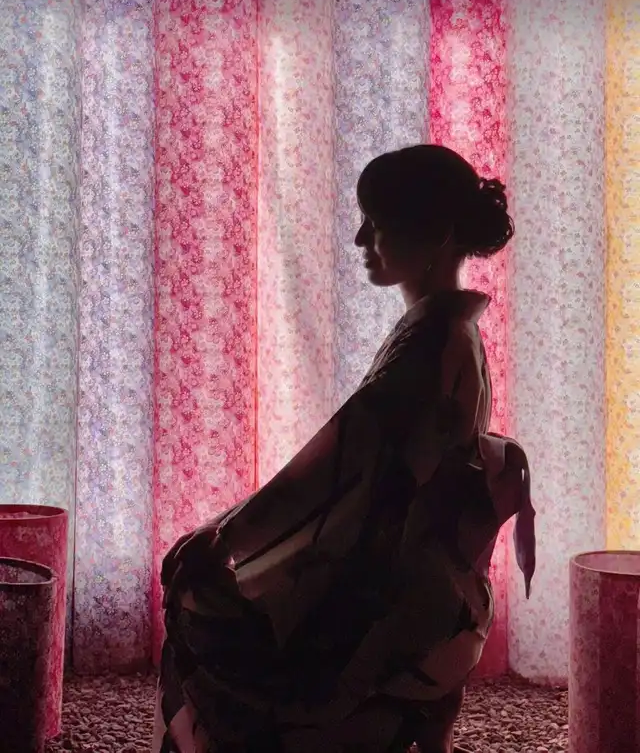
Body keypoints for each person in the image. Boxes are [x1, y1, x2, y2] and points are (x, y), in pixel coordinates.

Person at [152, 144, 536, 753]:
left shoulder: (427, 346)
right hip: (441, 582)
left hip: (393, 592)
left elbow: (327, 473)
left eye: (375, 222)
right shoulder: (450, 331)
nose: (360, 238)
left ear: (435, 234)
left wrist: (223, 535)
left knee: (194, 586)